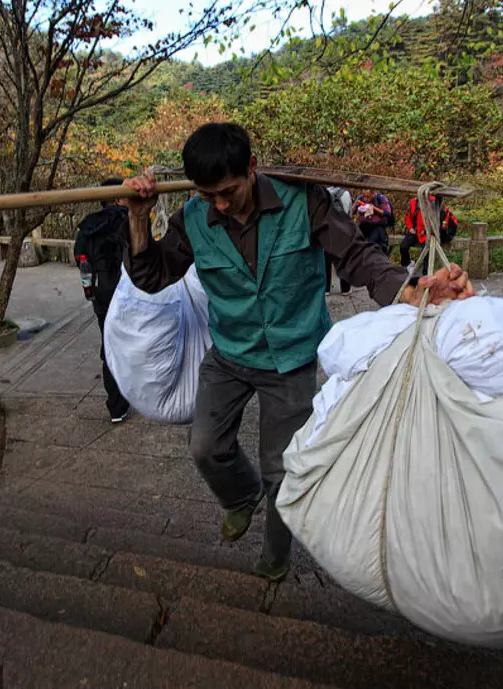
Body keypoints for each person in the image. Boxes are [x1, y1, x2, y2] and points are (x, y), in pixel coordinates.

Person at [122, 122, 473, 582]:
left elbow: (356, 256)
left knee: (282, 468)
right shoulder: (192, 219)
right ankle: (241, 497)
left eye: (228, 191)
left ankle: (276, 548)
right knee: (205, 446)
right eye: (210, 197)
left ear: (251, 168)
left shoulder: (303, 202)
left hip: (291, 356)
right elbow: (152, 277)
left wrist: (410, 291)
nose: (221, 206)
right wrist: (137, 217)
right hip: (229, 352)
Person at [74, 177, 132, 424]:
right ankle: (140, 393)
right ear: (118, 198)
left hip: (102, 294)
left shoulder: (88, 227)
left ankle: (116, 406)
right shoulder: (131, 221)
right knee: (134, 342)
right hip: (130, 293)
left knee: (109, 344)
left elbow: (80, 258)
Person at [398, 195, 459, 274]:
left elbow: (435, 220)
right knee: (403, 246)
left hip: (428, 232)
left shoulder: (433, 202)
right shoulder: (413, 202)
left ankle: (425, 274)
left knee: (426, 249)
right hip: (415, 231)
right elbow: (408, 217)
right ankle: (406, 266)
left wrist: (426, 230)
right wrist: (410, 228)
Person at [324, 186, 352, 294]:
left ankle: (326, 288)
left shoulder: (325, 192)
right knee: (343, 259)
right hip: (343, 230)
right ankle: (345, 288)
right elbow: (349, 212)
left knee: (326, 260)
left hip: (328, 229)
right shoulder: (346, 194)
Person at [352, 189, 393, 255]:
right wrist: (355, 205)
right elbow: (351, 213)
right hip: (363, 226)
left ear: (373, 194)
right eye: (364, 196)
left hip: (378, 226)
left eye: (368, 197)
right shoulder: (360, 198)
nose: (365, 199)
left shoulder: (381, 198)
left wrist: (374, 208)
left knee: (370, 245)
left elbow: (387, 213)